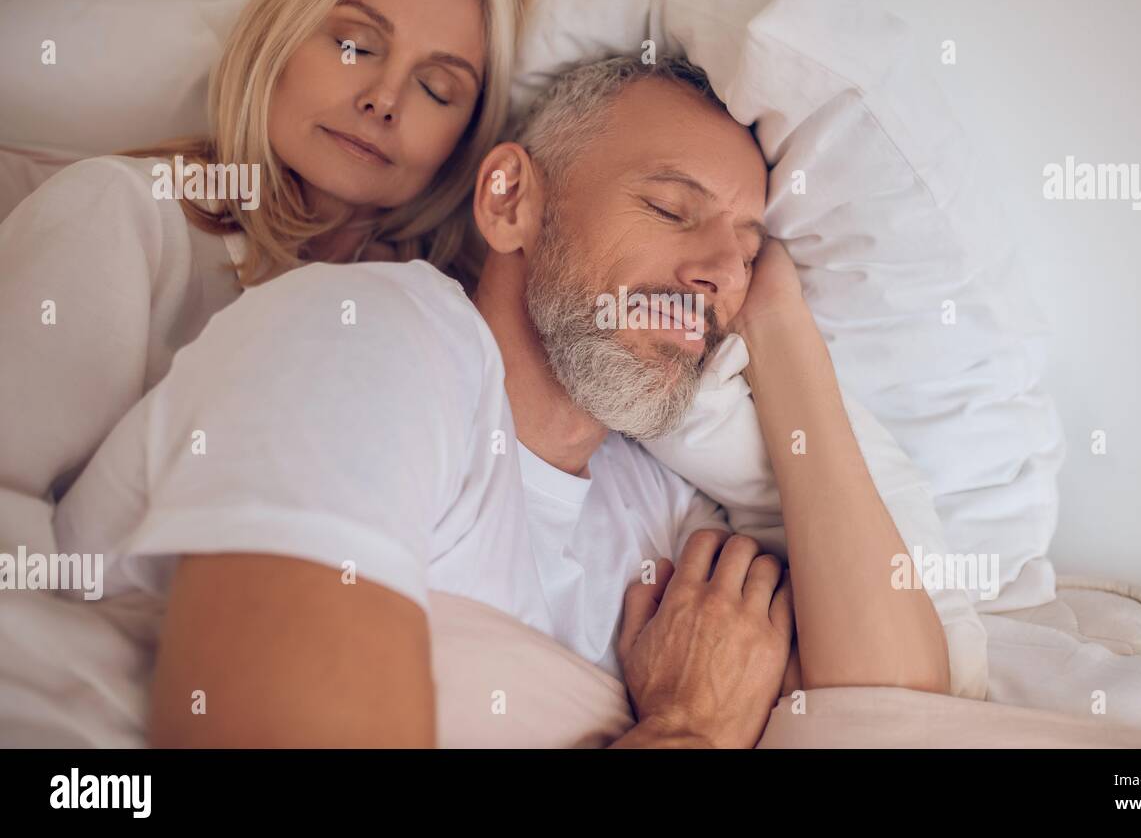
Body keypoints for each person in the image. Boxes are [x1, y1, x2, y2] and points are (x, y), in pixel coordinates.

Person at [53, 56, 949, 748]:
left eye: (747, 252)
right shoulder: (369, 338)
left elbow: (895, 710)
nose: (719, 274)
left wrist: (784, 331)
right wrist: (687, 732)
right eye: (672, 209)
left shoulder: (660, 511)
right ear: (510, 199)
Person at [0, 0, 535, 551]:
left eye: (437, 89)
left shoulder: (446, 330)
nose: (384, 99)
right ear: (277, 39)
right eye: (352, 44)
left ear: (465, 139)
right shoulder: (118, 215)